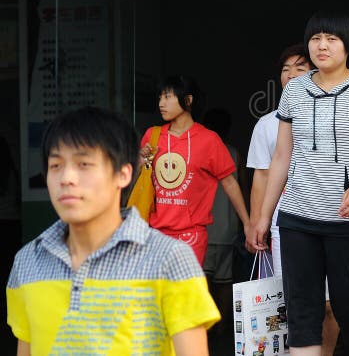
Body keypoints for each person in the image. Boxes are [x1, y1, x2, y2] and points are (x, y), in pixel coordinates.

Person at [6, 106, 220, 355]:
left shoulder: (170, 258)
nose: (67, 178)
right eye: (56, 165)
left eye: (83, 164)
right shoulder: (27, 262)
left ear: (123, 174)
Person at [251, 11, 349, 356]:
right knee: (301, 311)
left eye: (331, 39)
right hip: (298, 217)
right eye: (315, 39)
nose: (321, 45)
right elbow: (281, 157)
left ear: (348, 45)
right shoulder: (295, 90)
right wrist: (264, 216)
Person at [140, 75, 252, 265]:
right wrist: (141, 160)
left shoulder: (209, 140)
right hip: (154, 233)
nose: (161, 103)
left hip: (191, 235)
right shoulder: (153, 135)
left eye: (168, 97)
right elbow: (139, 180)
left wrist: (247, 224)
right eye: (160, 97)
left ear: (188, 100)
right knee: (159, 292)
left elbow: (230, 182)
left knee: (184, 292)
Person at [203, 108, 244, 347]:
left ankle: (205, 327)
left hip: (206, 228)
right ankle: (222, 327)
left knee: (203, 281)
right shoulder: (233, 153)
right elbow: (244, 187)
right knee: (225, 281)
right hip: (228, 228)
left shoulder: (201, 150)